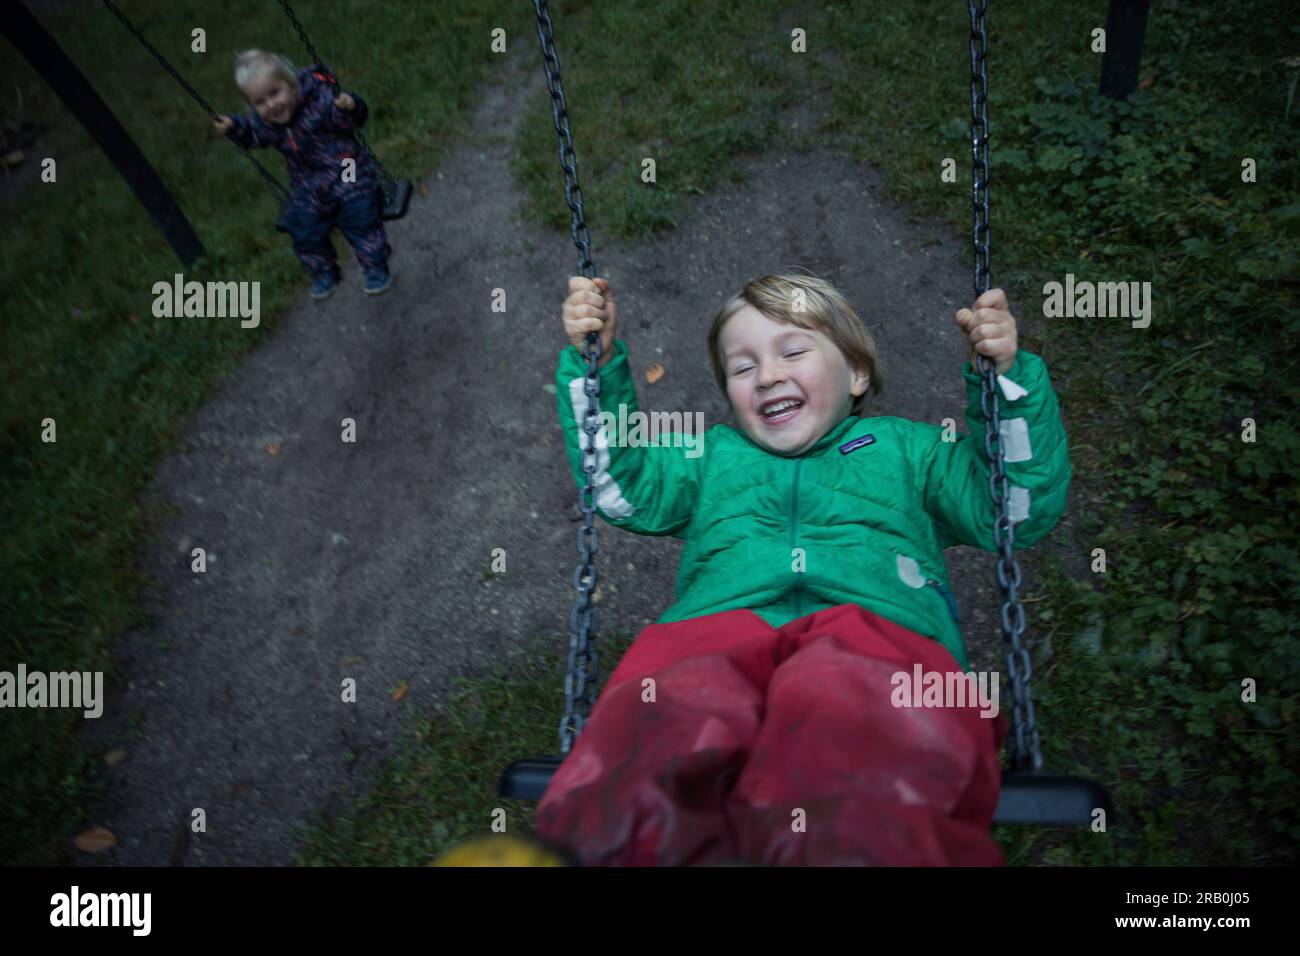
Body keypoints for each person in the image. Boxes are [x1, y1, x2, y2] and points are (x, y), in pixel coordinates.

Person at [536, 272, 1072, 866]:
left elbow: (1015, 509)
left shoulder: (910, 452)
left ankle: (858, 846)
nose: (766, 375)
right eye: (742, 368)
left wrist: (1005, 382)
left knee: (850, 719)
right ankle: (624, 836)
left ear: (858, 374)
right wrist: (598, 363)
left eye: (793, 351)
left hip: (877, 631)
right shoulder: (711, 458)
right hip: (714, 629)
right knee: (667, 714)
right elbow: (619, 483)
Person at [213, 50, 392, 299]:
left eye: (275, 93)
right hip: (308, 183)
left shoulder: (321, 102)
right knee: (302, 224)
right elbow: (252, 133)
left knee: (357, 209)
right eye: (260, 102)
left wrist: (350, 106)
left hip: (346, 167)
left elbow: (352, 118)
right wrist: (234, 127)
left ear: (292, 85)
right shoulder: (268, 124)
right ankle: (324, 272)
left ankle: (375, 266)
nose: (272, 105)